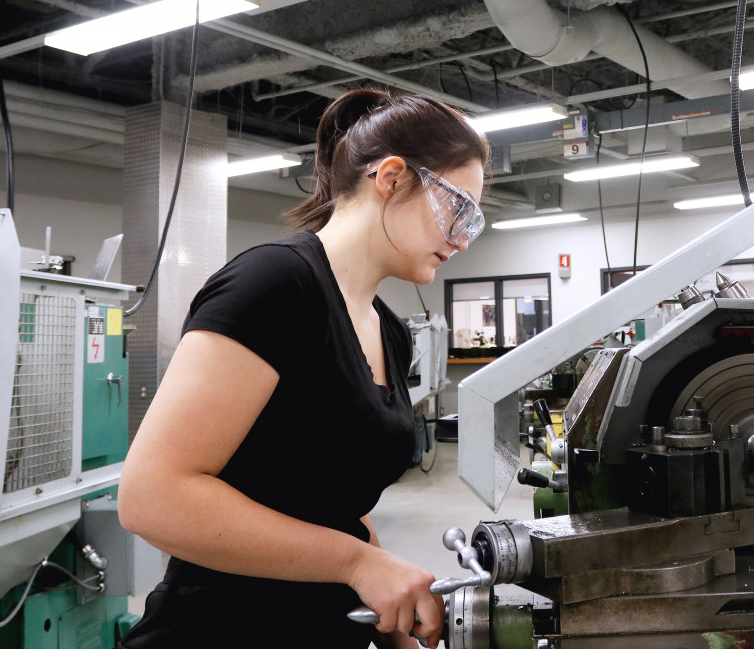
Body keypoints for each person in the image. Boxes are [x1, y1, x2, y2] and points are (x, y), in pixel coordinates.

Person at [117, 88, 490, 648]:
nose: (461, 239)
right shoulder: (275, 285)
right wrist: (357, 565)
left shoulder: (389, 331)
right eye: (457, 208)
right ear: (390, 178)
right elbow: (152, 496)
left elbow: (333, 505)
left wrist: (389, 604)